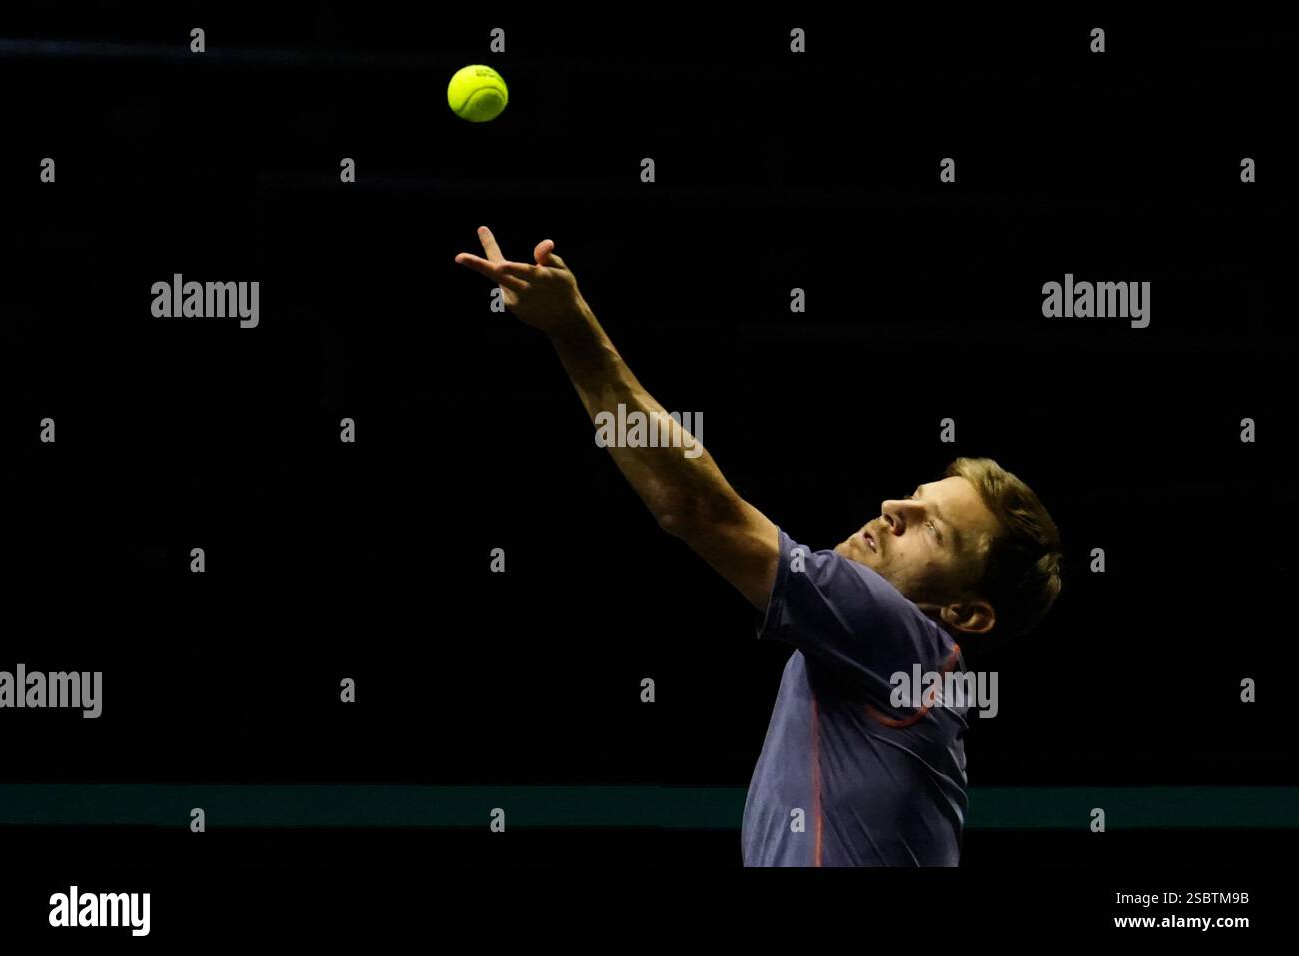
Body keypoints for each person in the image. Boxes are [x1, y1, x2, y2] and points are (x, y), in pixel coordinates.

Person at [454, 227, 1064, 866]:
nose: (893, 510)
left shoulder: (908, 642)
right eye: (913, 495)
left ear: (967, 614)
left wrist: (574, 330)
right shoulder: (871, 668)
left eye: (932, 528)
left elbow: (695, 507)